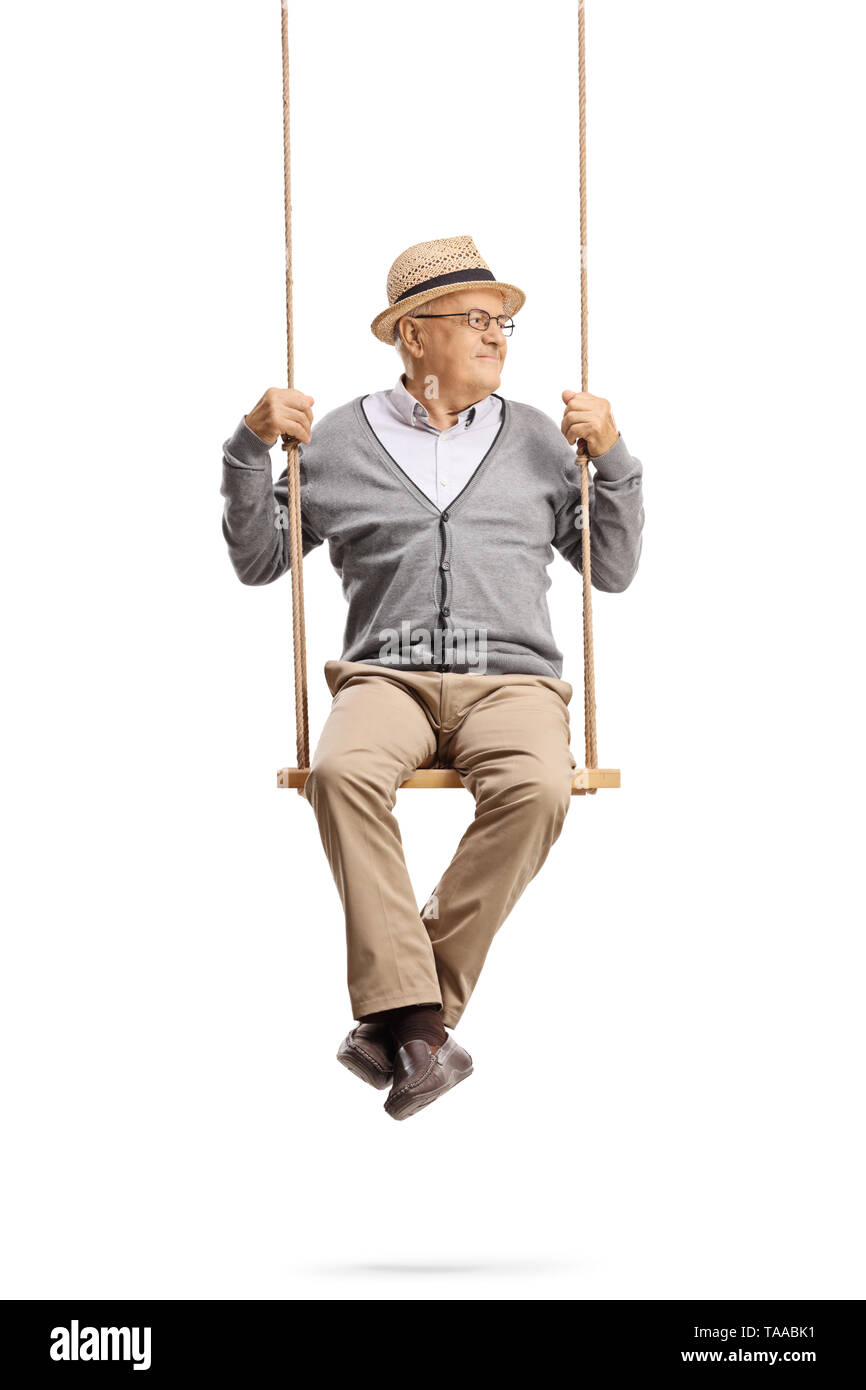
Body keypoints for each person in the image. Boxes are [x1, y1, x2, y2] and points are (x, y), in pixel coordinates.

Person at [220, 235, 644, 1120]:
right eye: (478, 319)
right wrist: (247, 449)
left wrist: (615, 461)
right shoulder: (335, 439)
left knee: (536, 788)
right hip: (387, 677)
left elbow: (609, 568)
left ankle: (406, 1020)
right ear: (415, 335)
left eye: (504, 323)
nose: (498, 337)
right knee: (339, 775)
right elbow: (260, 561)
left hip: (513, 683)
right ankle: (419, 1027)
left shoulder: (539, 438)